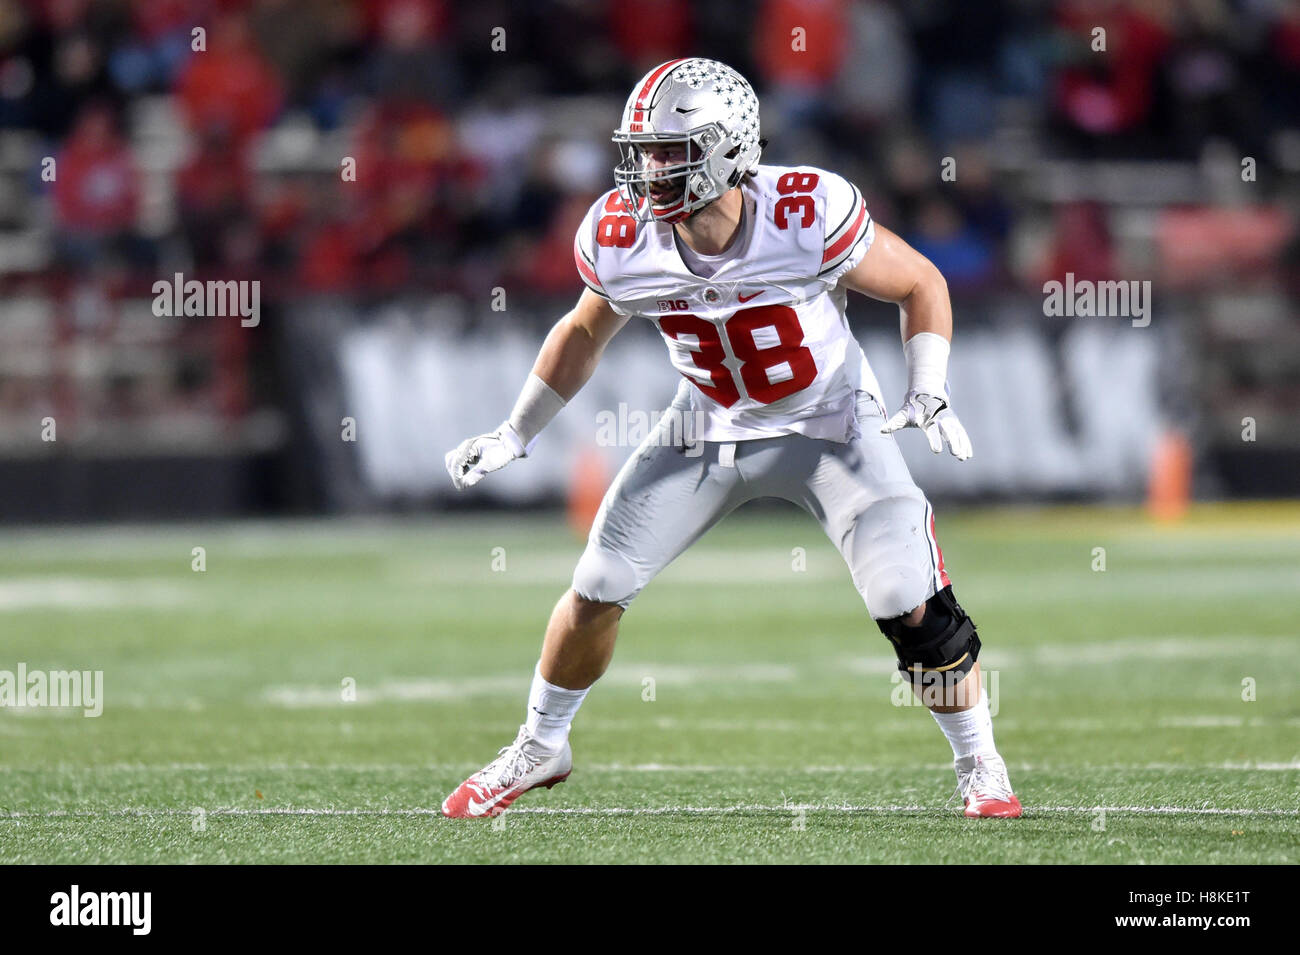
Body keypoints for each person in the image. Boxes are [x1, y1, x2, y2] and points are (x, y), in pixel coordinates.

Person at [442, 58, 1021, 820]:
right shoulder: (621, 235)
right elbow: (583, 331)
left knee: (909, 600)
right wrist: (516, 431)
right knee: (598, 583)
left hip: (831, 422)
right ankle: (541, 743)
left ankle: (981, 761)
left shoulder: (806, 209)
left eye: (670, 152)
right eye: (642, 150)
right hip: (706, 423)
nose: (649, 169)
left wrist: (928, 385)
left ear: (729, 149)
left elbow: (921, 283)